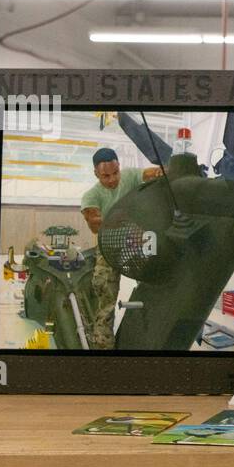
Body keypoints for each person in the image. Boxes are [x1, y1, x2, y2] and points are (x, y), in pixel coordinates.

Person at [79, 148, 163, 349]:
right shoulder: (91, 196)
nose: (112, 179)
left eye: (115, 173)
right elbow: (94, 224)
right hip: (108, 249)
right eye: (105, 176)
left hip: (135, 244)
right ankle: (104, 345)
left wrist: (171, 170)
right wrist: (123, 223)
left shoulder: (130, 176)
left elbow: (153, 173)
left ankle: (150, 333)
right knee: (106, 300)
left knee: (156, 283)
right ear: (96, 174)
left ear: (119, 168)